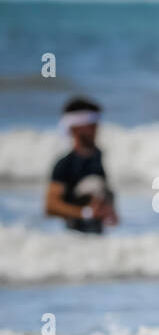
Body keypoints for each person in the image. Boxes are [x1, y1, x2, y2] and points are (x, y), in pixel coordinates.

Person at [45, 96, 119, 233]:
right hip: (74, 239)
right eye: (91, 125)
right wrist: (86, 213)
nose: (96, 129)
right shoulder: (65, 164)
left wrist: (110, 211)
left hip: (97, 237)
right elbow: (50, 206)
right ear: (76, 128)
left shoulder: (97, 157)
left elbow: (104, 193)